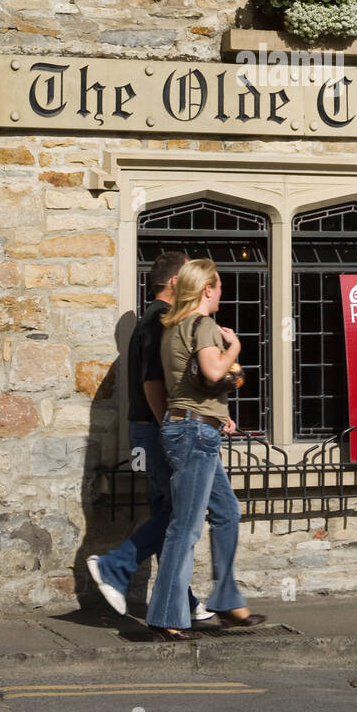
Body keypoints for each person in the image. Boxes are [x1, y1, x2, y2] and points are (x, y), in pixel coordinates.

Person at [86, 251, 211, 620]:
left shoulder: (153, 318)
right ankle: (114, 566)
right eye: (188, 277)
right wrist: (170, 429)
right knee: (178, 515)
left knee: (172, 513)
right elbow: (153, 383)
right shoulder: (159, 321)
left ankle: (179, 599)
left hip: (150, 429)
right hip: (157, 429)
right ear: (175, 283)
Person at [146, 257, 266, 640]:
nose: (220, 294)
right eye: (218, 287)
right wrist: (235, 346)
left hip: (190, 426)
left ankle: (227, 600)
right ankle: (167, 616)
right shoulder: (204, 325)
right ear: (207, 289)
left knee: (227, 511)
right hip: (195, 434)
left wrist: (217, 415)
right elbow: (215, 373)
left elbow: (188, 384)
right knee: (185, 527)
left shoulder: (175, 326)